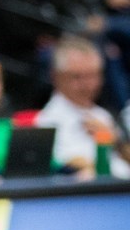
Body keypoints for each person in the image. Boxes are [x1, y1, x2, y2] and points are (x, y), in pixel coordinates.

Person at [35, 35, 130, 177]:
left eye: (93, 75)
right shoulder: (46, 121)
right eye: (77, 77)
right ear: (55, 76)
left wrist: (116, 141)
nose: (88, 85)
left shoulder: (104, 115)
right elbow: (67, 166)